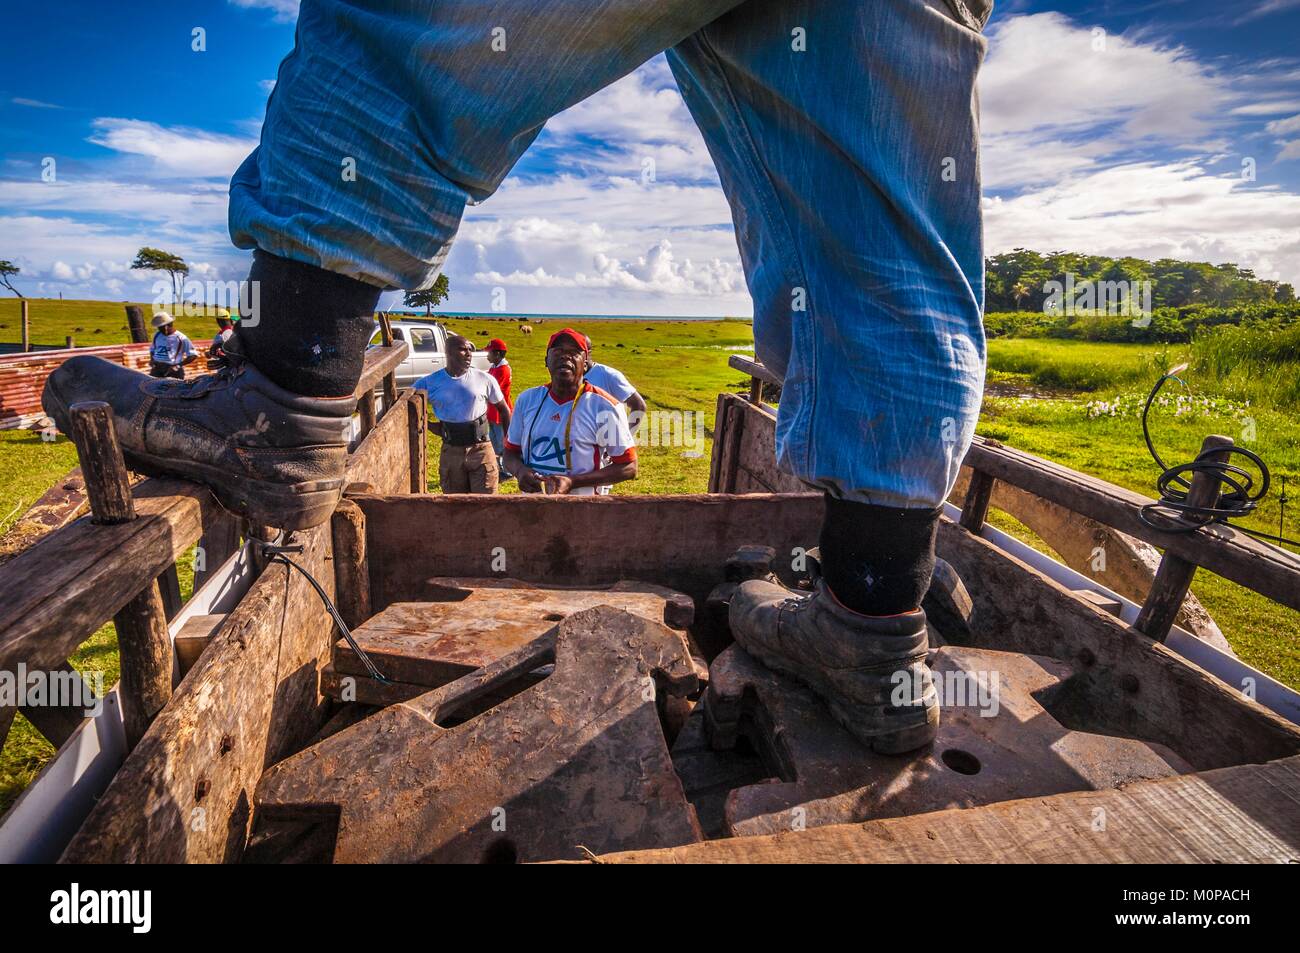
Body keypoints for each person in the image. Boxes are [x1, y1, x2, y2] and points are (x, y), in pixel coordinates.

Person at [42, 0, 993, 752]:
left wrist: (566, 479)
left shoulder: (573, 405)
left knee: (414, 24)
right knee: (880, 183)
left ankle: (289, 379)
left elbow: (601, 463)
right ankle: (875, 614)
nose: (563, 361)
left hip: (509, 469)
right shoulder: (523, 399)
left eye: (573, 352)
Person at [502, 329, 637, 496]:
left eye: (574, 352)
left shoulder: (604, 406)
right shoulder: (527, 399)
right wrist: (520, 471)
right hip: (533, 509)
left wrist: (573, 482)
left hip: (582, 510)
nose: (565, 356)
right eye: (558, 351)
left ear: (586, 363)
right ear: (546, 360)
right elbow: (510, 452)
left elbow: (628, 467)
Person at [415, 334, 512, 494]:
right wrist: (428, 425)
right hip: (451, 451)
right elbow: (407, 404)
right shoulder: (429, 382)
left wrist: (507, 443)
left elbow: (504, 409)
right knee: (455, 506)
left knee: (486, 504)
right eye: (462, 349)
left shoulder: (484, 379)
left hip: (481, 449)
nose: (468, 353)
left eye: (470, 349)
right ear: (449, 353)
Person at [580, 334, 647, 419]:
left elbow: (639, 406)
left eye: (575, 351)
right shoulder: (563, 377)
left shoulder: (609, 375)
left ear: (588, 353)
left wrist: (626, 432)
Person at [484, 338, 513, 471]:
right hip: (492, 410)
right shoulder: (494, 367)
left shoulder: (503, 370)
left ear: (497, 354)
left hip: (499, 412)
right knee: (494, 440)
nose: (487, 355)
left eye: (489, 352)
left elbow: (492, 390)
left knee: (502, 440)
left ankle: (506, 469)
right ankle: (498, 466)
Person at [147, 312, 198, 379]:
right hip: (157, 368)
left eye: (161, 328)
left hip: (173, 369)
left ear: (166, 326)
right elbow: (152, 349)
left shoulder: (181, 338)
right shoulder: (157, 335)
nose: (159, 330)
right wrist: (152, 359)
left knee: (173, 388)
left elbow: (193, 355)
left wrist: (178, 366)